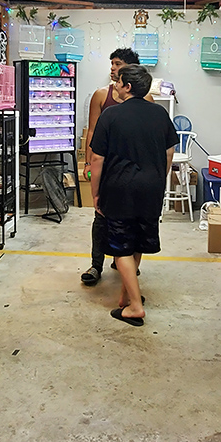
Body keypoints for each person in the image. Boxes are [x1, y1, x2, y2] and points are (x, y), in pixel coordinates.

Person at [89, 64, 178, 327]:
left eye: (118, 82)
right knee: (137, 241)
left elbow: (97, 158)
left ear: (128, 87)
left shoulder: (112, 115)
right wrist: (158, 179)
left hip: (119, 187)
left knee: (119, 246)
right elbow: (169, 153)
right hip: (151, 187)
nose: (115, 85)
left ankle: (135, 307)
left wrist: (95, 194)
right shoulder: (160, 114)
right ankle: (127, 296)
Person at [80, 47, 148, 286]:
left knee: (131, 218)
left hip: (132, 170)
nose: (112, 68)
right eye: (111, 64)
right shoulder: (101, 95)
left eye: (117, 64)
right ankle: (95, 264)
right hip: (106, 166)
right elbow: (91, 131)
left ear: (129, 69)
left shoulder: (146, 99)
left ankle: (123, 260)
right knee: (101, 218)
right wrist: (88, 163)